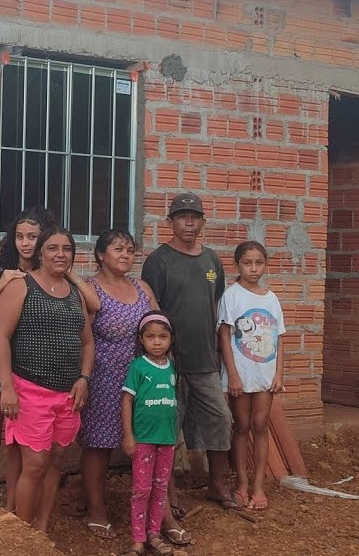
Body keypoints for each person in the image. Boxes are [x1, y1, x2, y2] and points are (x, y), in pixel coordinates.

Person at [0, 227, 96, 533]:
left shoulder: (75, 293)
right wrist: (7, 388)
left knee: (55, 463)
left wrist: (84, 378)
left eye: (66, 248)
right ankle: (23, 535)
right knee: (35, 464)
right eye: (52, 248)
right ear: (40, 252)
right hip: (29, 390)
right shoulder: (21, 286)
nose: (60, 254)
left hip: (67, 394)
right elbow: (0, 337)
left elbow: (87, 342)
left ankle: (41, 529)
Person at [139, 192, 229, 543]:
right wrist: (160, 356)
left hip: (205, 360)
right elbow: (152, 312)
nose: (189, 223)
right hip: (169, 361)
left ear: (203, 221)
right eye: (182, 216)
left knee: (220, 417)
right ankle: (168, 493)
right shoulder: (159, 261)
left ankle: (218, 483)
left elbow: (216, 304)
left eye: (195, 217)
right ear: (171, 222)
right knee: (168, 428)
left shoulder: (212, 260)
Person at [0, 206, 56, 508]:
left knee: (18, 446)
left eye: (33, 236)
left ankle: (10, 513)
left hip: (30, 372)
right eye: (20, 236)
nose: (25, 242)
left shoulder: (50, 274)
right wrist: (2, 285)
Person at [79, 229, 156, 540]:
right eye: (118, 249)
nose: (126, 255)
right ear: (100, 255)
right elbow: (82, 337)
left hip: (141, 378)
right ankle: (96, 510)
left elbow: (157, 328)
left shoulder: (142, 287)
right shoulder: (90, 288)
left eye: (130, 250)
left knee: (149, 442)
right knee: (99, 446)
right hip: (102, 378)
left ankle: (156, 510)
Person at [218, 240, 286, 511]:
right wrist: (232, 375)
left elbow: (280, 339)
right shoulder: (231, 296)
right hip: (241, 375)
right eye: (247, 263)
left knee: (261, 426)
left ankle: (259, 486)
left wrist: (279, 374)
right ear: (237, 265)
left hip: (265, 375)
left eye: (259, 263)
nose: (253, 268)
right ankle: (242, 484)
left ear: (265, 264)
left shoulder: (271, 298)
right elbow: (224, 336)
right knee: (241, 427)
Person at [122, 312, 180, 556]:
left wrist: (174, 437)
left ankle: (154, 534)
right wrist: (128, 435)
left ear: (171, 339)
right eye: (151, 337)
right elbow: (126, 401)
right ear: (141, 339)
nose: (157, 342)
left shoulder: (171, 368)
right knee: (141, 489)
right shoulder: (138, 367)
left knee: (160, 488)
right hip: (143, 439)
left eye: (162, 337)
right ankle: (137, 539)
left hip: (166, 440)